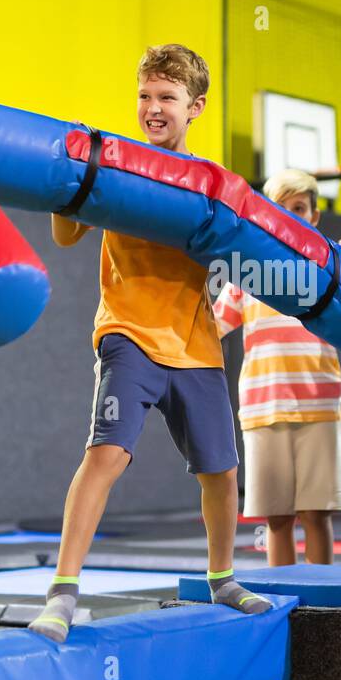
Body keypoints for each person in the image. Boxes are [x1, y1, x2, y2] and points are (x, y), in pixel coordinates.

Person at [30, 44, 271, 642]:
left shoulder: (212, 184)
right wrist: (69, 182)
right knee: (105, 455)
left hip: (196, 344)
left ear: (196, 107)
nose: (152, 107)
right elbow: (65, 236)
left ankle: (223, 577)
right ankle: (62, 591)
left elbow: (243, 255)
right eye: (144, 96)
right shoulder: (114, 162)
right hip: (127, 335)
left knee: (221, 471)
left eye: (166, 98)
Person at [213, 169, 341, 566]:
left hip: (320, 404)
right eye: (281, 208)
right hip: (265, 407)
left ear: (314, 216)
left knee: (318, 513)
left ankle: (323, 602)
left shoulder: (333, 268)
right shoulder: (246, 270)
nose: (291, 215)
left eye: (299, 208)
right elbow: (213, 326)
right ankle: (285, 600)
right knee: (277, 517)